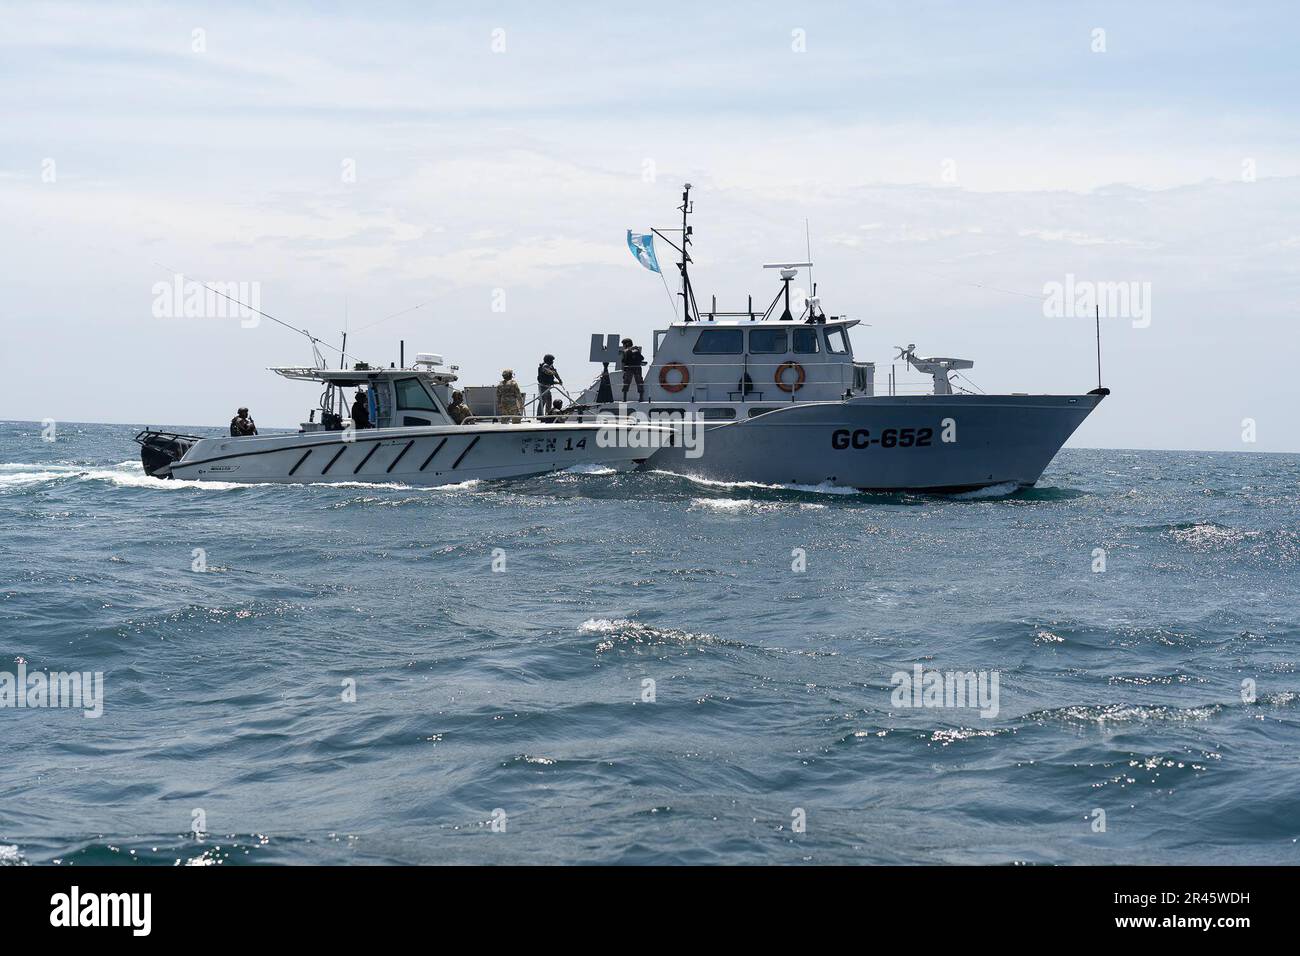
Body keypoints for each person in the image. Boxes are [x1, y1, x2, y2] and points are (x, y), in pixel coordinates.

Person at [620, 337, 646, 402]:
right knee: (639, 382)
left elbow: (624, 361)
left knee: (626, 382)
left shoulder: (625, 351)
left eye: (624, 344)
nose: (623, 346)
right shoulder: (636, 350)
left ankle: (624, 398)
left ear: (627, 344)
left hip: (629, 368)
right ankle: (641, 397)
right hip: (637, 367)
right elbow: (642, 358)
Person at [536, 354, 563, 418]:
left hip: (547, 387)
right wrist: (554, 372)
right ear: (548, 360)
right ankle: (539, 416)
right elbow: (548, 372)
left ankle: (548, 415)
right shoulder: (545, 366)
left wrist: (559, 381)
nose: (552, 362)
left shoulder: (550, 367)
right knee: (543, 401)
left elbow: (551, 379)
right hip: (543, 386)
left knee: (549, 401)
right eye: (552, 360)